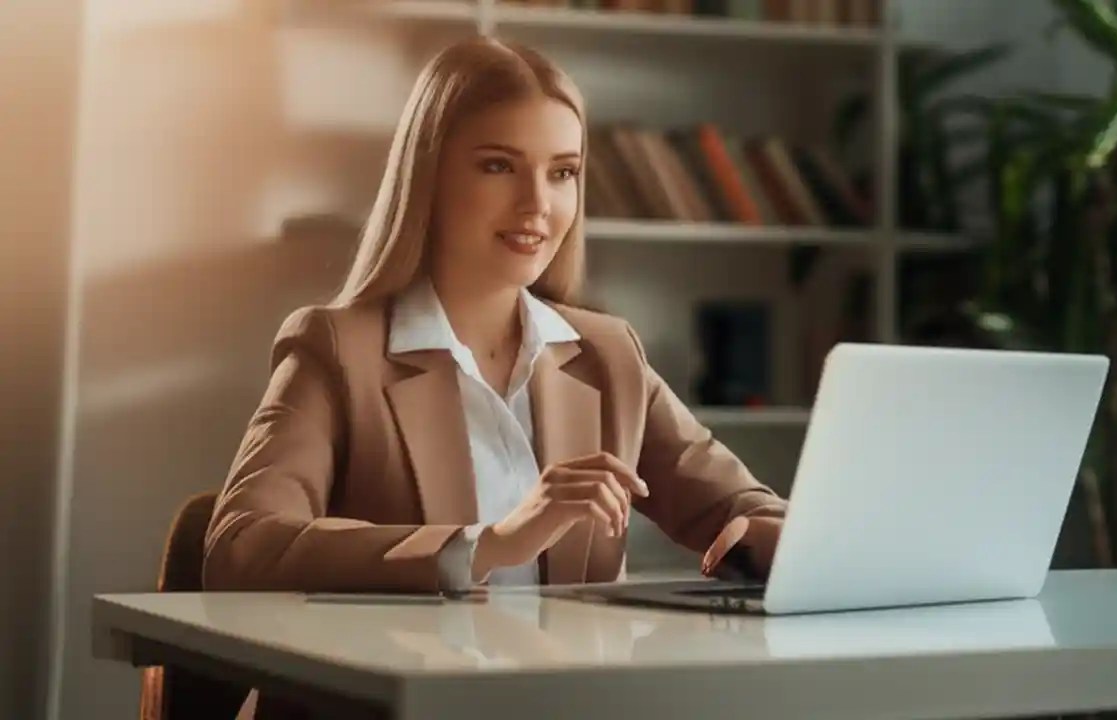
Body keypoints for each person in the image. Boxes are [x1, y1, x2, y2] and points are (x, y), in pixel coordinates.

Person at [203, 36, 786, 607]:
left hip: (571, 674)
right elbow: (241, 546)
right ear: (429, 176)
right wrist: (487, 545)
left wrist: (778, 536)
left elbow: (747, 508)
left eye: (563, 172)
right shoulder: (337, 350)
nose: (537, 203)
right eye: (499, 166)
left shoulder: (607, 354)